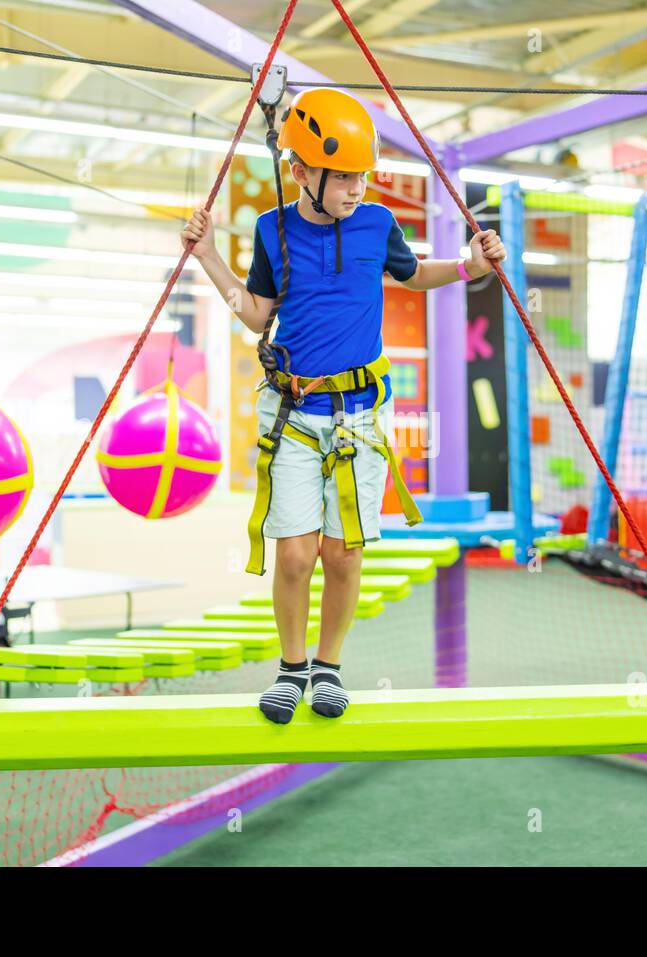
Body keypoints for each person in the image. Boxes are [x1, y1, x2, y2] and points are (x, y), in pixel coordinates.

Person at [182, 87, 506, 724]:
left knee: (343, 552)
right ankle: (291, 667)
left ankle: (328, 667)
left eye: (363, 176)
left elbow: (411, 274)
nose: (356, 188)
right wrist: (210, 257)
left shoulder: (377, 223)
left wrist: (469, 267)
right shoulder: (273, 231)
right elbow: (255, 315)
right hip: (295, 412)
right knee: (296, 553)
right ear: (300, 171)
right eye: (343, 177)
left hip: (360, 413)